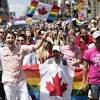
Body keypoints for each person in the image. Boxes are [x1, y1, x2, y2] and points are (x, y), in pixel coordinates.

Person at [0, 31, 48, 100]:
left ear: (15, 39)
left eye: (12, 38)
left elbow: (36, 47)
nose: (10, 39)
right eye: (8, 38)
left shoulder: (21, 49)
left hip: (21, 82)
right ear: (5, 40)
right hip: (8, 83)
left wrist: (43, 38)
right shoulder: (1, 51)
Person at [83, 31, 100, 100]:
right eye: (97, 39)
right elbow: (85, 68)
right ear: (93, 39)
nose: (99, 40)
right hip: (94, 81)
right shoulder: (88, 52)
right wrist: (84, 82)